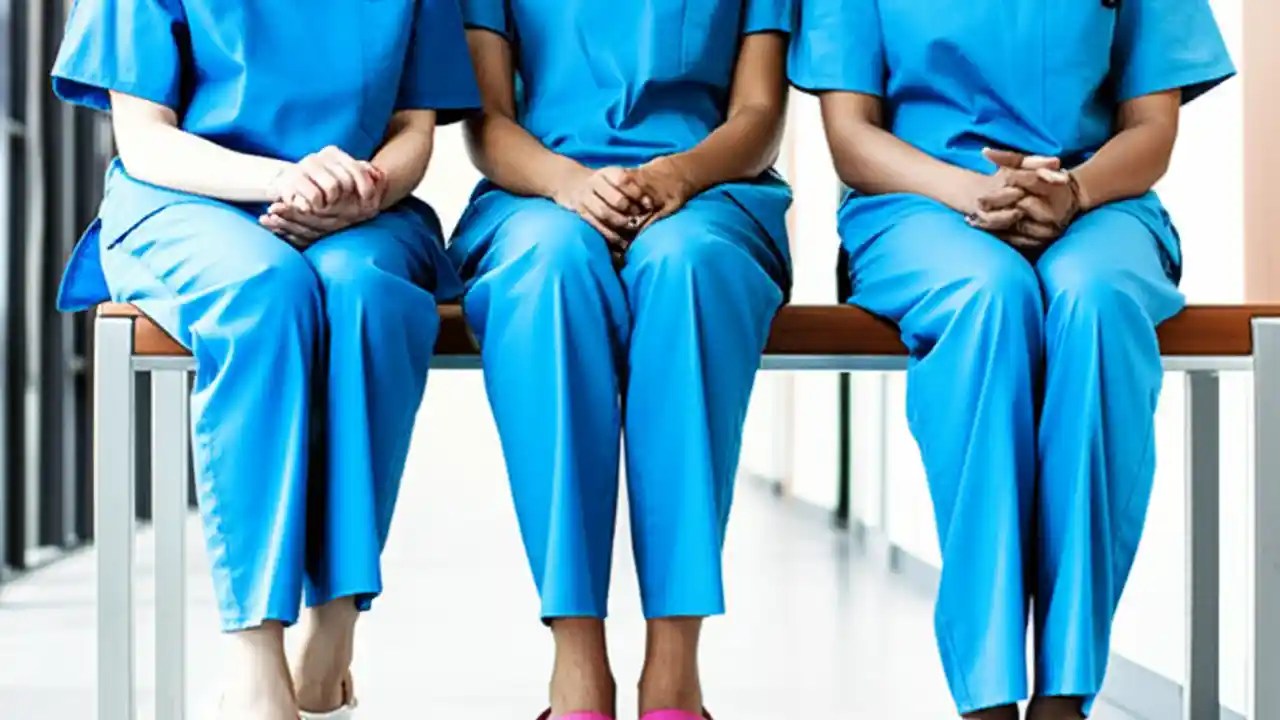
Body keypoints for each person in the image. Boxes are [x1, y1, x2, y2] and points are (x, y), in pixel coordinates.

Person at [790, 0, 1234, 718]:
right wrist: (974, 192)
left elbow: (1151, 128)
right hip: (917, 202)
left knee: (1095, 303)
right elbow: (851, 135)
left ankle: (1065, 695)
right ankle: (988, 697)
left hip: (1098, 203)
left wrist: (1076, 191)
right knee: (989, 297)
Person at [51, 0, 479, 717]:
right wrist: (282, 181)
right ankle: (255, 647)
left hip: (361, 207)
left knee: (369, 295)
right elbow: (147, 141)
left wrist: (361, 190)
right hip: (190, 201)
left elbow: (413, 131)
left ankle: (334, 628)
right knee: (264, 294)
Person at [450, 0, 793, 717]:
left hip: (707, 193)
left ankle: (674, 671)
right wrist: (569, 185)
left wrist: (678, 175)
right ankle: (577, 667)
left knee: (688, 268)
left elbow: (758, 117)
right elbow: (486, 123)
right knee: (550, 269)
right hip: (539, 193)